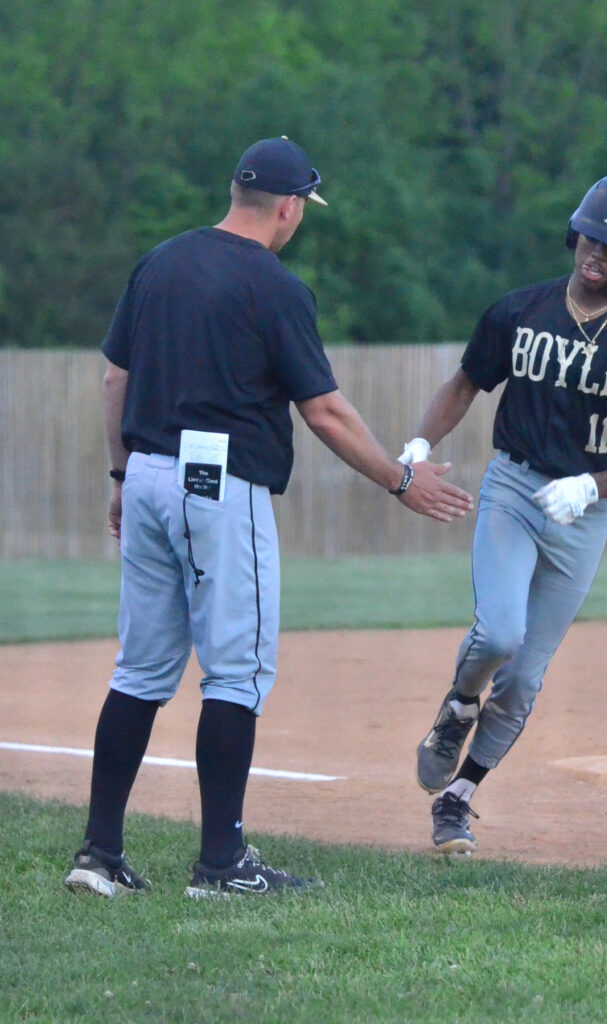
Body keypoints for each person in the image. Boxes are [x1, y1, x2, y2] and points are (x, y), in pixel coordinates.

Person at [64, 136, 473, 899]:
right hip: (219, 482)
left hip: (148, 470)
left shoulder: (160, 262)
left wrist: (122, 475)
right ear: (289, 207)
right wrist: (400, 479)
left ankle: (98, 855)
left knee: (141, 669)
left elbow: (116, 375)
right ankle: (222, 865)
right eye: (302, 210)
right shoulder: (274, 285)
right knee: (238, 672)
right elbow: (323, 411)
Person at [404, 173, 607, 855]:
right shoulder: (519, 311)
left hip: (581, 515)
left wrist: (592, 487)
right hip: (514, 487)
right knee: (498, 634)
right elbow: (467, 382)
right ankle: (458, 707)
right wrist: (418, 446)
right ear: (574, 232)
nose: (598, 252)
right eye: (592, 235)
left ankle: (460, 797)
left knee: (526, 677)